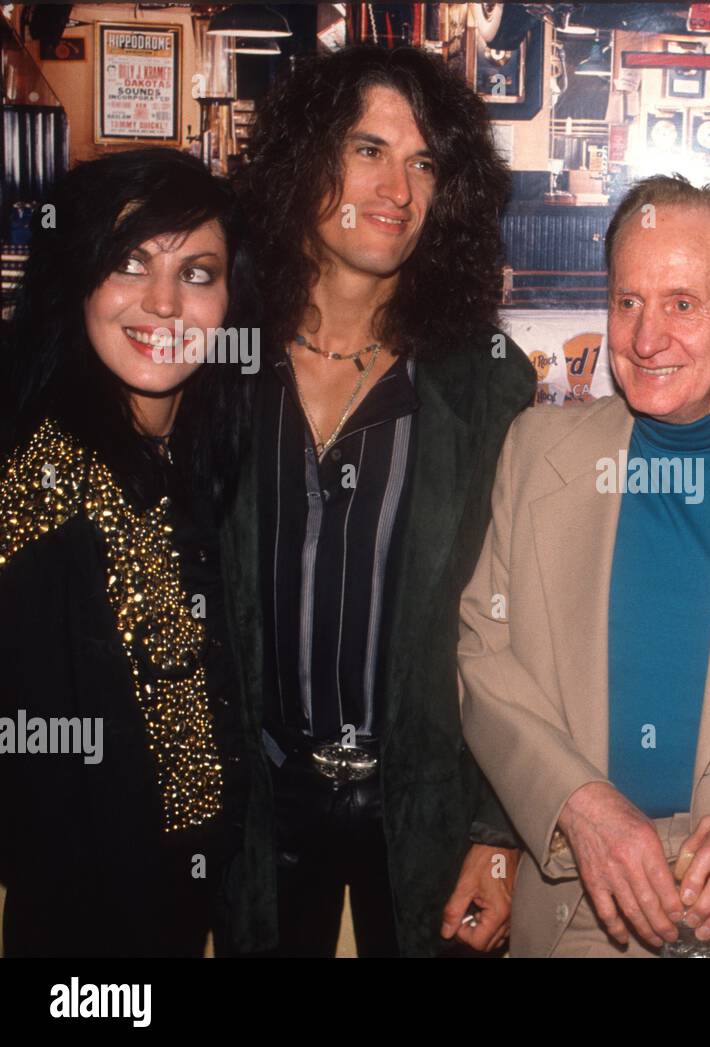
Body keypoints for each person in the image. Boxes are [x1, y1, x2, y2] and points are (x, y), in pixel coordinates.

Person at [458, 176, 710, 956]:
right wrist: (578, 806)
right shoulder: (537, 452)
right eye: (627, 301)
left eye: (682, 303)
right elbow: (485, 654)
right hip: (583, 898)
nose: (645, 340)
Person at [220, 44, 534, 958]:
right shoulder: (221, 367)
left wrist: (500, 831)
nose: (397, 185)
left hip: (430, 810)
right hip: (256, 807)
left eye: (425, 161)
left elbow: (524, 629)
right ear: (304, 160)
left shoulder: (483, 386)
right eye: (367, 149)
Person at [0, 149, 256, 955]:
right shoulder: (41, 477)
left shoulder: (200, 448)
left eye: (198, 272)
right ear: (80, 278)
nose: (163, 302)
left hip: (184, 902)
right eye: (130, 262)